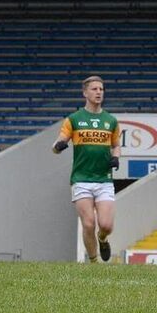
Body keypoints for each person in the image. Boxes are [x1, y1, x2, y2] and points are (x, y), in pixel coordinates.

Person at [52, 75, 121, 263]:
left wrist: (115, 157)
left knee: (105, 225)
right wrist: (58, 147)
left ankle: (103, 238)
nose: (99, 92)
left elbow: (116, 145)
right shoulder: (74, 119)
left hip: (104, 179)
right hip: (81, 179)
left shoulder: (111, 121)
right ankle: (93, 261)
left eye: (101, 89)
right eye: (94, 89)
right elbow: (58, 143)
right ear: (85, 93)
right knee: (88, 224)